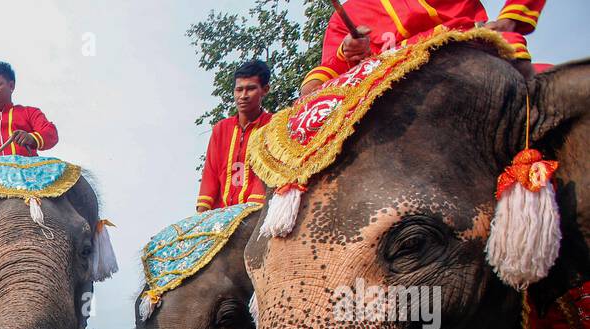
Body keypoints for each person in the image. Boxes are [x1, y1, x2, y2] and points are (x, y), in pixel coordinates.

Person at [299, 1, 544, 95]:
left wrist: (510, 17)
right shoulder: (348, 15)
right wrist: (348, 52)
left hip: (470, 54)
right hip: (395, 95)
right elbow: (324, 78)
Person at [196, 60, 271, 212]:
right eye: (239, 90)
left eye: (250, 89)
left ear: (265, 90)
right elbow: (210, 173)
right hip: (220, 214)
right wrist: (202, 212)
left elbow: (267, 172)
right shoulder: (221, 128)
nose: (243, 96)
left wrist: (252, 209)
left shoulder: (274, 126)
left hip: (257, 211)